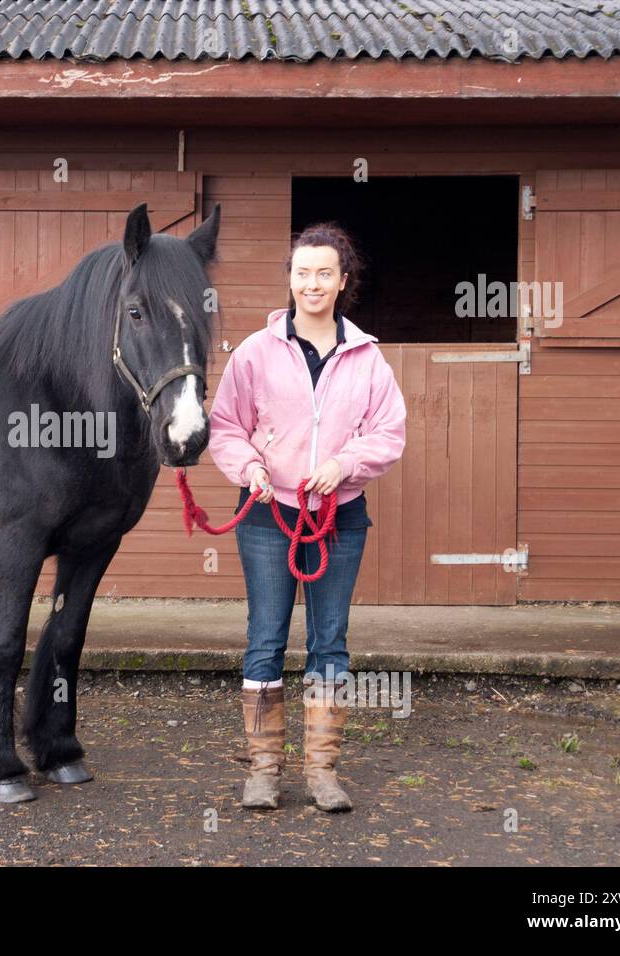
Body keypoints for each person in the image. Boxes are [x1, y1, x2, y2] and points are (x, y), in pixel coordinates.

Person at [208, 222, 406, 812]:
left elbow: (388, 432)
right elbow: (226, 426)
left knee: (331, 643)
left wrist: (345, 463)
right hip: (270, 516)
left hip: (337, 519)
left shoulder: (368, 358)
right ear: (290, 279)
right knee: (265, 639)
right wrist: (250, 469)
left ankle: (322, 772)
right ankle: (264, 771)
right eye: (302, 272)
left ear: (343, 281)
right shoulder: (254, 352)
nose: (311, 283)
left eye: (324, 273)